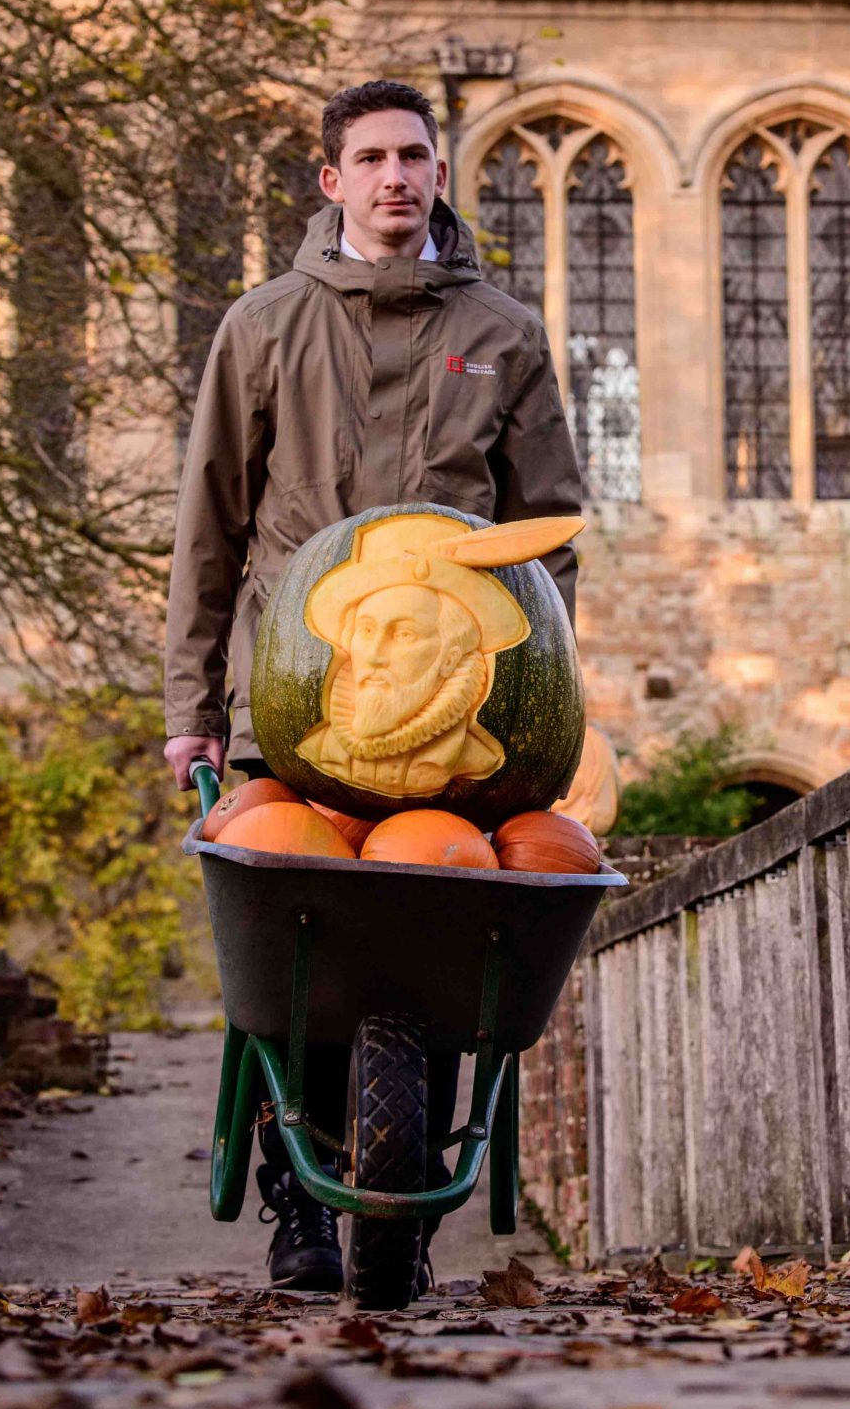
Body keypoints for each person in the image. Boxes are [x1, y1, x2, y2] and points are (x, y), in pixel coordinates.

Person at [163, 80, 584, 1293]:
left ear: (439, 172)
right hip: (293, 699)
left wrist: (540, 701)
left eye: (413, 156)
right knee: (293, 946)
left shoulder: (503, 332)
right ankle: (297, 1197)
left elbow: (548, 533)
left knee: (441, 927)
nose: (395, 176)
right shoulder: (263, 326)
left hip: (456, 707)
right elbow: (209, 527)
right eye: (370, 158)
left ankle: (404, 1192)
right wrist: (193, 710)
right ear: (331, 180)